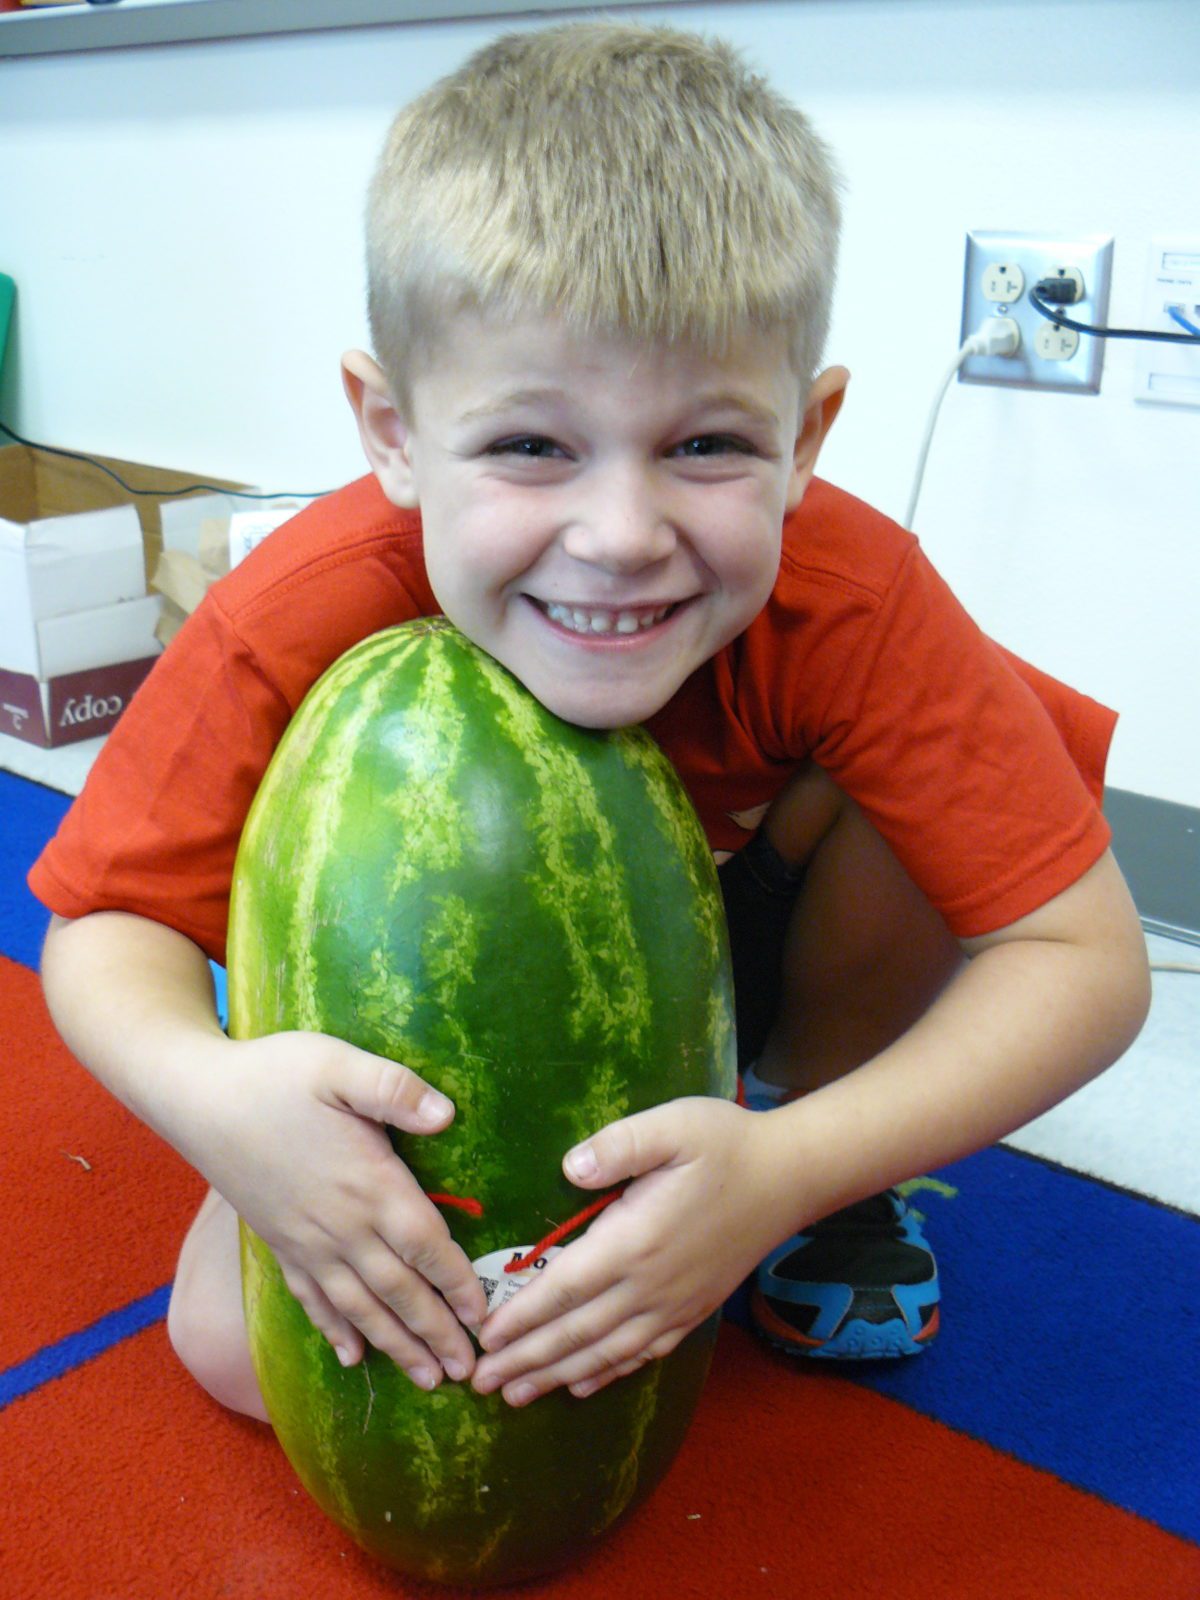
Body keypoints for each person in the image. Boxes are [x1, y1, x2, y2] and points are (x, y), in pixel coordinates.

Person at [31, 22, 1149, 1420]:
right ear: (391, 430)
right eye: (529, 446)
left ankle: (833, 1175)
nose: (620, 538)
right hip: (439, 999)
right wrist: (219, 1105)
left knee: (956, 804)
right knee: (235, 1354)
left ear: (807, 439)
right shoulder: (300, 606)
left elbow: (1083, 960)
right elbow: (104, 929)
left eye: (708, 445)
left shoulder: (854, 597)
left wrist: (788, 1168)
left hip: (758, 940)